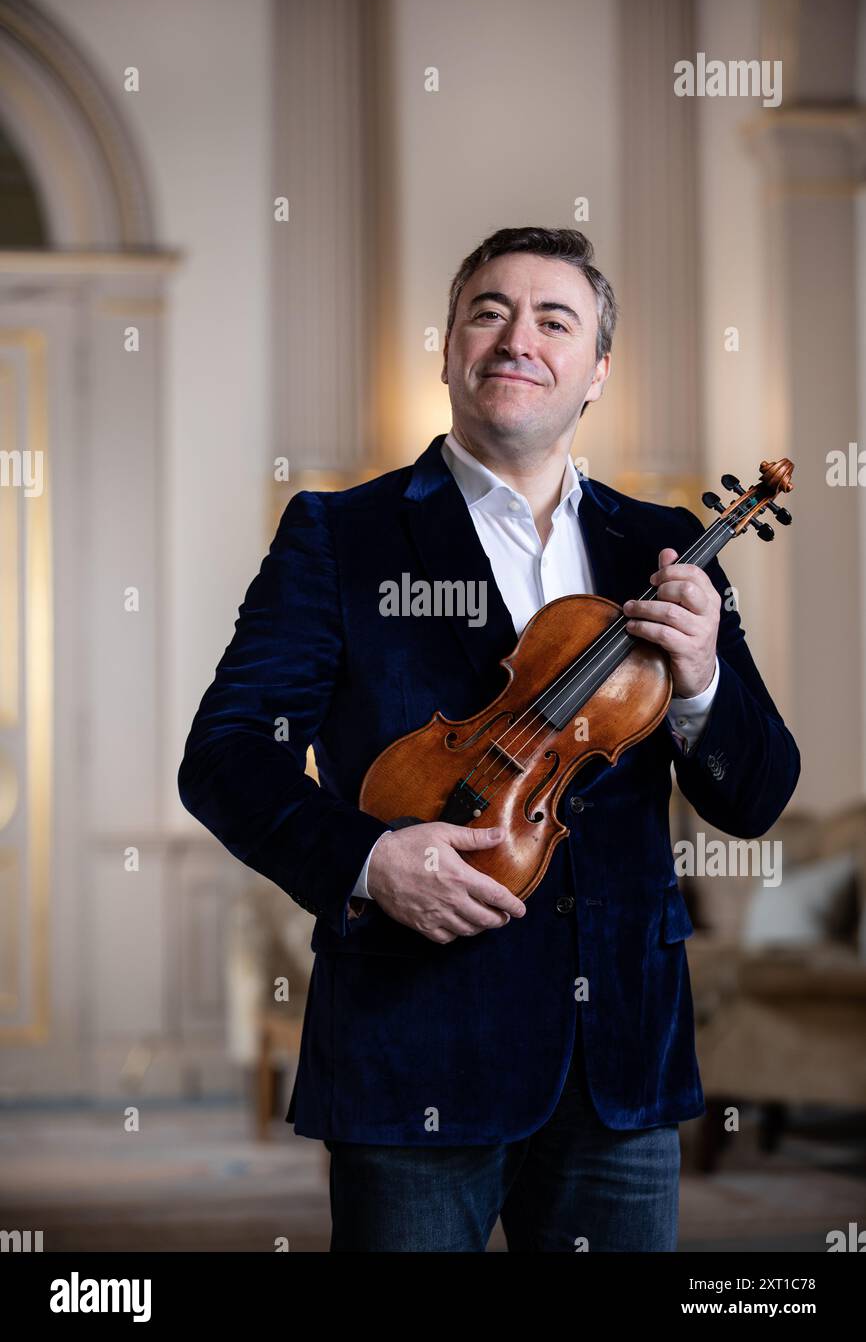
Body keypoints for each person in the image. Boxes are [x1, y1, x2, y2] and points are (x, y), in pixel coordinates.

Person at [178, 226, 800, 1252]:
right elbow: (227, 753)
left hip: (619, 1062)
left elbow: (755, 794)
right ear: (448, 351)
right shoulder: (340, 534)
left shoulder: (666, 551)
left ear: (596, 370)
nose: (518, 337)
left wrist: (700, 683)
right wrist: (371, 861)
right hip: (412, 1040)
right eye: (488, 311)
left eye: (554, 319)